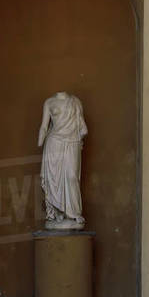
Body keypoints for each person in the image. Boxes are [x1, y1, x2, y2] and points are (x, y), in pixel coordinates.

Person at [37, 91, 87, 229]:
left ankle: (74, 213)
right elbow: (44, 126)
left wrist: (80, 135)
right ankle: (58, 214)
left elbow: (83, 127)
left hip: (72, 142)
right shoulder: (49, 102)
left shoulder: (75, 101)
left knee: (72, 177)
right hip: (54, 143)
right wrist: (40, 142)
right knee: (54, 180)